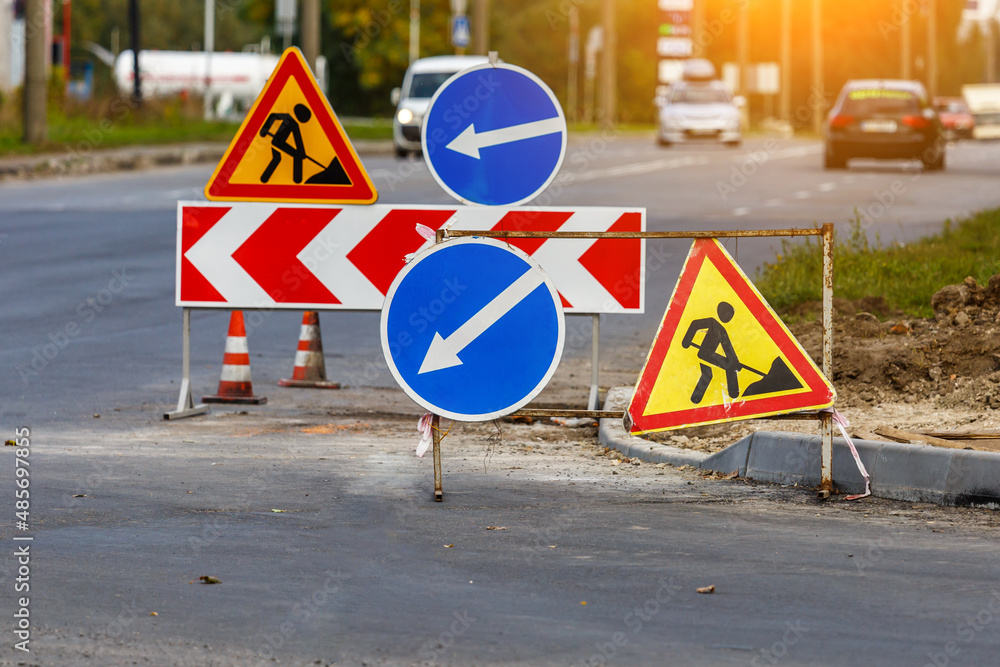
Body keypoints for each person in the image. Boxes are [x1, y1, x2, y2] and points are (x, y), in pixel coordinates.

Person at [681, 301, 742, 404]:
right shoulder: (711, 322)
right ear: (721, 312)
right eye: (727, 314)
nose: (728, 317)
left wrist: (735, 361)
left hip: (709, 355)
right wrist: (686, 341)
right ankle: (733, 392)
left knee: (711, 373)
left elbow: (728, 349)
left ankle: (695, 400)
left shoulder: (722, 331)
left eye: (730, 316)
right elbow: (695, 324)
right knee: (718, 370)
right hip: (705, 353)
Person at [259, 103, 313, 184]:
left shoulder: (294, 124)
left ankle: (263, 179)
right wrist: (264, 129)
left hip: (279, 142)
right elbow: (273, 116)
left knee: (277, 159)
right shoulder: (288, 118)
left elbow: (298, 141)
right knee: (294, 156)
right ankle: (297, 180)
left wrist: (302, 152)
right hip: (277, 142)